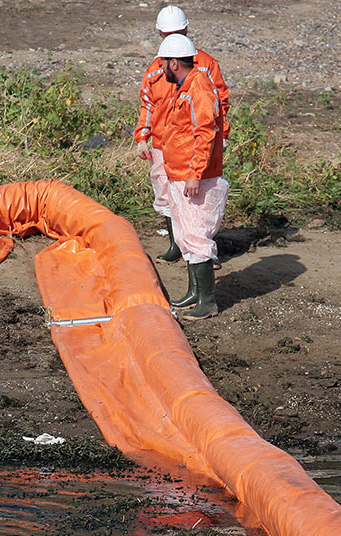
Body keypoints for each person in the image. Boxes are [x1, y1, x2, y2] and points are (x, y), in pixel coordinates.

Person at [135, 5, 229, 264]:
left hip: (194, 144)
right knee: (169, 196)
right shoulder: (157, 67)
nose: (173, 37)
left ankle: (200, 252)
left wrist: (220, 135)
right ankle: (179, 246)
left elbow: (218, 104)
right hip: (164, 144)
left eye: (177, 33)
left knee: (199, 202)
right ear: (160, 34)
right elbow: (148, 104)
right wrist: (142, 137)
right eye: (168, 34)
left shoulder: (204, 66)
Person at [157, 34, 229, 321]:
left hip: (195, 177)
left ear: (174, 63)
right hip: (181, 174)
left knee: (197, 236)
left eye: (163, 63)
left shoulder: (198, 89)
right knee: (185, 235)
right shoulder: (186, 86)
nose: (161, 68)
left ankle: (207, 301)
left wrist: (195, 174)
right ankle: (195, 292)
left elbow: (205, 133)